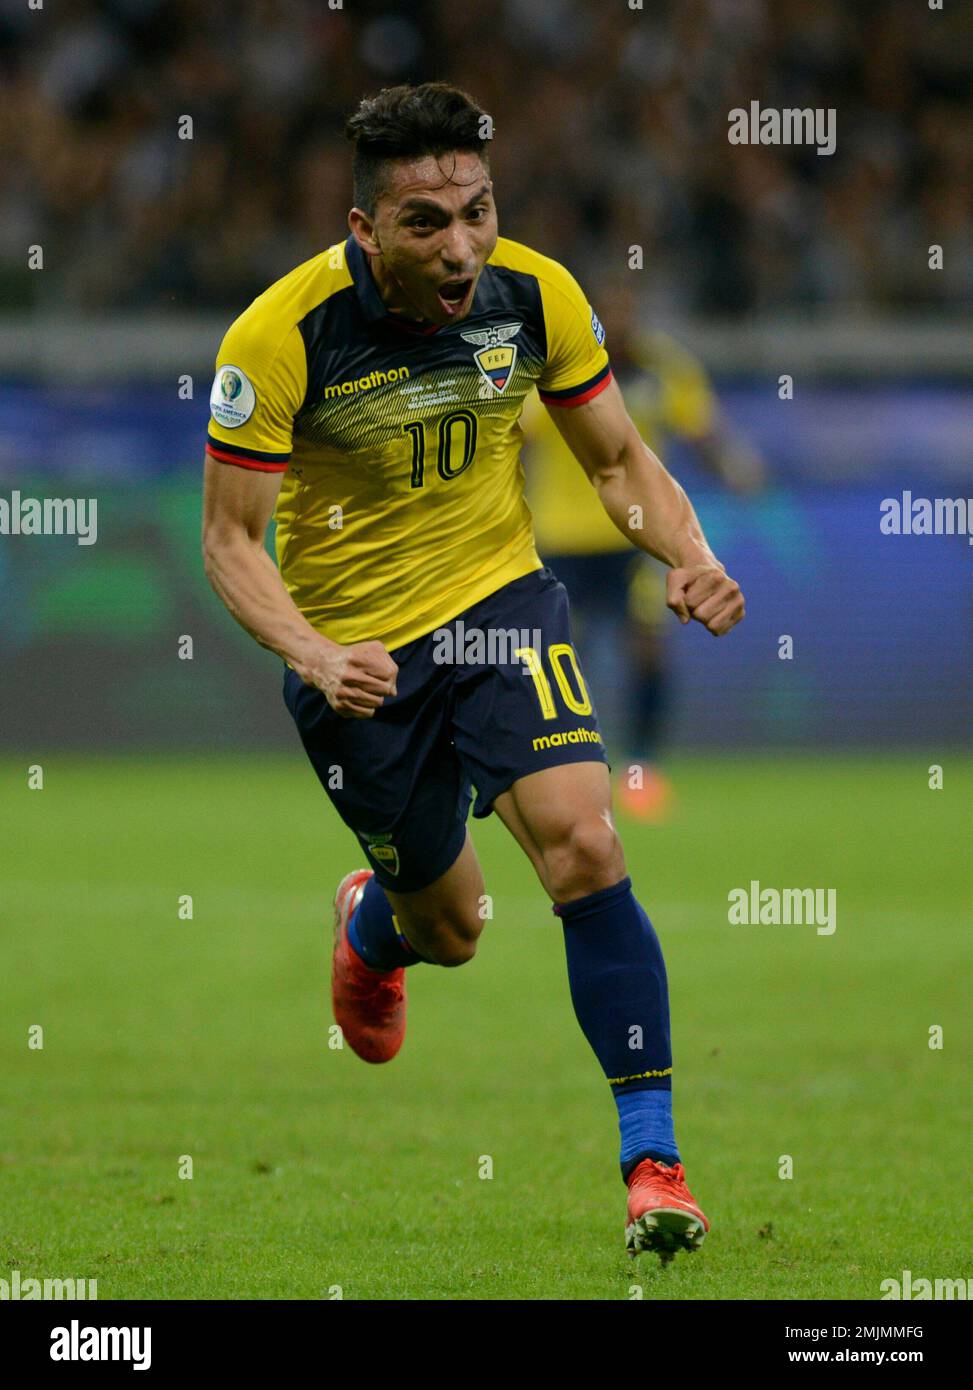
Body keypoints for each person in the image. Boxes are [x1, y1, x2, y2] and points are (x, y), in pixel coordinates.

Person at [201, 82, 745, 1260]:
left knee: (586, 844)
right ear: (364, 233)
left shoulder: (536, 296)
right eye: (424, 223)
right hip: (360, 661)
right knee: (452, 928)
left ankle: (652, 1163)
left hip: (501, 606)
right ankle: (372, 934)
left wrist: (689, 550)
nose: (460, 247)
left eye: (476, 211)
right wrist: (308, 648)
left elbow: (617, 461)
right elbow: (231, 540)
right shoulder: (278, 338)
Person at [524, 282, 765, 820]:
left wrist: (734, 469)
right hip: (562, 536)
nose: (617, 322)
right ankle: (565, 769)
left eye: (624, 310)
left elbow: (703, 432)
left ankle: (641, 769)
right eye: (606, 312)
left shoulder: (665, 369)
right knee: (567, 656)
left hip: (633, 538)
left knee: (647, 647)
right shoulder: (554, 365)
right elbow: (521, 441)